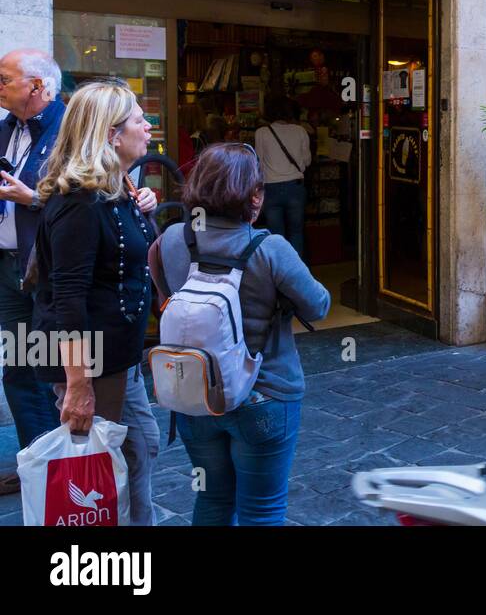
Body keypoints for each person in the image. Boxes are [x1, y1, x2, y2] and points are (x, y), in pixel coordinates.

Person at [155, 143, 331, 525]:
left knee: (213, 501)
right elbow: (318, 306)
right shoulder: (271, 249)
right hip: (265, 393)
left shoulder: (172, 240)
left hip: (195, 392)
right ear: (254, 196)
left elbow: (165, 296)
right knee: (262, 509)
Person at [28, 79, 161, 524]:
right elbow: (68, 299)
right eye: (140, 120)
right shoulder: (80, 202)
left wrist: (145, 209)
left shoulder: (116, 188)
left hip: (119, 357)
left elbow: (133, 257)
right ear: (110, 134)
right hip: (91, 363)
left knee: (139, 449)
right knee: (104, 471)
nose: (149, 126)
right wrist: (78, 384)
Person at [0, 49, 65, 495]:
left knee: (54, 373)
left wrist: (35, 198)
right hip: (7, 269)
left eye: (5, 79)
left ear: (37, 87)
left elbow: (93, 195)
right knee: (20, 369)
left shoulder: (69, 128)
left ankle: (61, 472)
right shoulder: (3, 130)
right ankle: (36, 466)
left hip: (48, 271)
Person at [254, 97, 311, 259]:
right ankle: (296, 271)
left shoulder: (261, 133)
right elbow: (307, 161)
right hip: (295, 187)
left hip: (271, 187)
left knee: (276, 235)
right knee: (296, 232)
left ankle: (278, 272)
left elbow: (259, 161)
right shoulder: (300, 131)